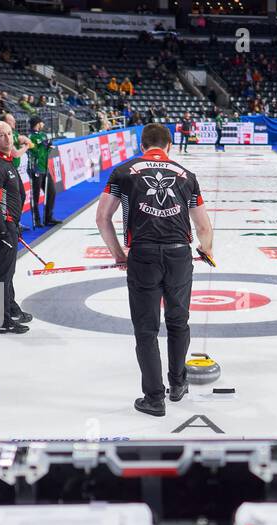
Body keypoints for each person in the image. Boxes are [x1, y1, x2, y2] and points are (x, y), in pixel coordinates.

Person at [96, 123, 213, 417]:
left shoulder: (123, 172)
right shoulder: (188, 175)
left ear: (142, 146)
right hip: (178, 255)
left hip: (143, 255)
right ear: (170, 145)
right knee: (178, 321)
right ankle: (177, 384)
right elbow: (203, 226)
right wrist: (206, 249)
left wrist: (119, 255)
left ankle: (154, 398)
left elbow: (102, 218)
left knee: (146, 330)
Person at [0, 121, 33, 335]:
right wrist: (3, 231)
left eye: (9, 134)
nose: (8, 138)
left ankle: (10, 308)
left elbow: (13, 196)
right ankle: (2, 320)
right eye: (2, 135)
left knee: (9, 272)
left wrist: (15, 224)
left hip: (10, 223)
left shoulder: (8, 160)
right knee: (3, 274)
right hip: (0, 227)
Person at [27, 116, 59, 228]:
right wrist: (42, 145)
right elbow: (33, 151)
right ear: (37, 123)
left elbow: (46, 152)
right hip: (35, 168)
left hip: (44, 168)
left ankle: (48, 217)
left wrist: (49, 146)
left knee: (52, 192)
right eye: (42, 123)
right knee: (35, 196)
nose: (43, 125)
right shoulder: (30, 136)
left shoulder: (43, 135)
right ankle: (36, 220)